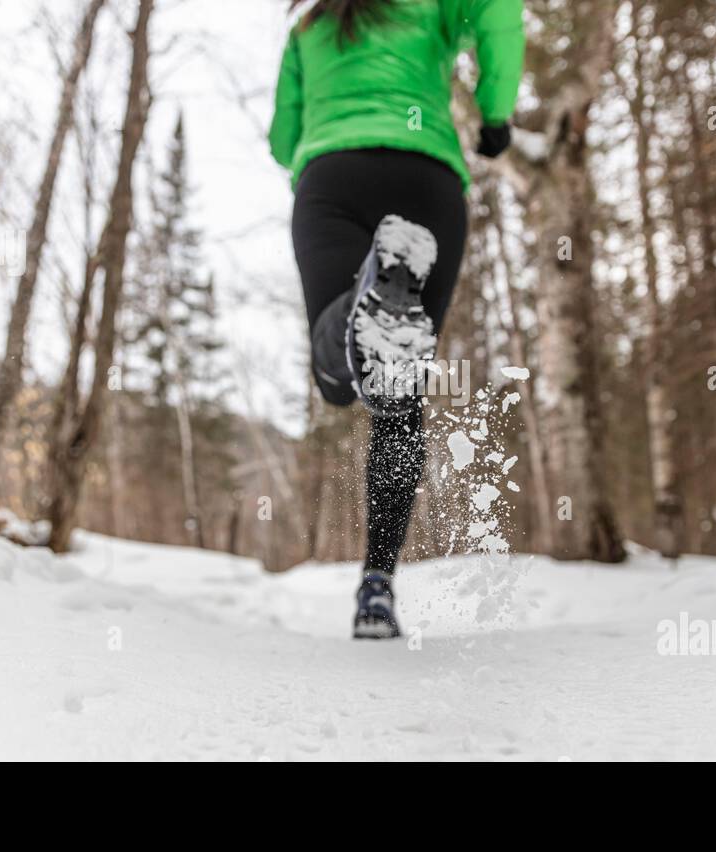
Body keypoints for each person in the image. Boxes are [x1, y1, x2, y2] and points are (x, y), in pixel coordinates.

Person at [270, 0, 524, 639]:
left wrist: (318, 129)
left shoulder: (308, 27)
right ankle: (377, 587)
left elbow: (281, 138)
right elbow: (498, 12)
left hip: (333, 179)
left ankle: (365, 295)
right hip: (427, 180)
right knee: (399, 392)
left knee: (338, 378)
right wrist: (496, 114)